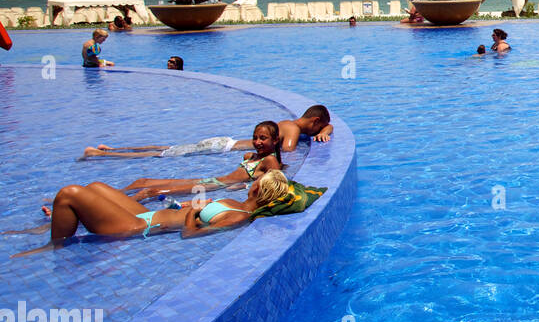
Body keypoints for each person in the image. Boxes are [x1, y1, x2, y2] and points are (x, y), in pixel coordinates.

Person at [10, 172, 290, 256]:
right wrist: (184, 208)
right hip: (148, 213)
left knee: (70, 192)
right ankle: (55, 223)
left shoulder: (239, 217)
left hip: (137, 227)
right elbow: (191, 214)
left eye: (259, 181)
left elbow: (189, 235)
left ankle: (53, 245)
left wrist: (193, 212)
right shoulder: (234, 202)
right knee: (96, 186)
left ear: (258, 189)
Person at [83, 104, 332, 159]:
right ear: (314, 121)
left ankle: (111, 149)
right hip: (221, 147)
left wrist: (327, 129)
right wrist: (309, 141)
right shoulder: (291, 129)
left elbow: (325, 126)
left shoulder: (289, 123)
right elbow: (287, 149)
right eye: (318, 128)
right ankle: (101, 155)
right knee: (163, 154)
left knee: (168, 148)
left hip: (224, 141)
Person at [121, 121, 284, 200]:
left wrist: (242, 186)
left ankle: (122, 206)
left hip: (215, 185)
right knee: (142, 181)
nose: (257, 142)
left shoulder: (270, 160)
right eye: (255, 138)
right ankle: (118, 196)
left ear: (275, 140)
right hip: (211, 180)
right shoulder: (250, 156)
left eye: (263, 138)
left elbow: (275, 183)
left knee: (150, 192)